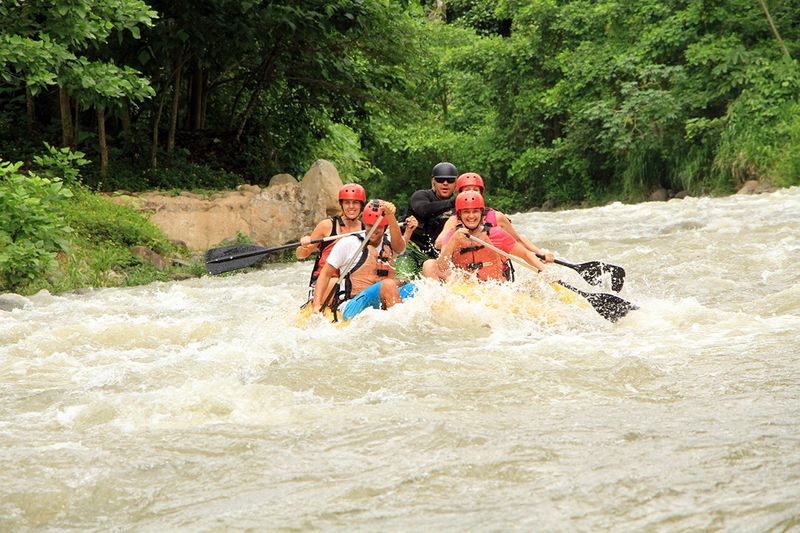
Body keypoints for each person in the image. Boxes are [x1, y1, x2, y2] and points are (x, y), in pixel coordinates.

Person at [312, 200, 416, 321]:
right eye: (369, 225)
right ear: (365, 224)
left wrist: (390, 216)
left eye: (378, 226)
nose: (373, 230)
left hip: (382, 301)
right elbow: (325, 274)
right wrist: (316, 305)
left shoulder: (390, 245)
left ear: (385, 227)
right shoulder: (348, 243)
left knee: (415, 288)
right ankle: (400, 324)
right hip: (352, 304)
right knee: (388, 284)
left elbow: (400, 247)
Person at [425, 191, 551, 282]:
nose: (471, 216)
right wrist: (453, 241)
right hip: (467, 289)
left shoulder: (496, 233)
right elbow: (442, 266)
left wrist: (545, 272)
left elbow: (525, 254)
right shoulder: (453, 234)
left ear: (481, 212)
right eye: (466, 212)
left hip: (493, 288)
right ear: (459, 215)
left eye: (475, 211)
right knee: (429, 265)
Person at [434, 172, 555, 263]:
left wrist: (539, 253)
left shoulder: (497, 216)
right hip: (467, 272)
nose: (471, 194)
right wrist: (456, 237)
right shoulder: (454, 220)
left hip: (495, 270)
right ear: (459, 195)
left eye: (475, 190)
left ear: (481, 194)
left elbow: (517, 240)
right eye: (467, 190)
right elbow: (439, 244)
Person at [296, 183, 366, 296]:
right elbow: (301, 255)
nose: (351, 207)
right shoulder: (327, 226)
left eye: (355, 202)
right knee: (335, 283)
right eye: (347, 202)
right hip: (327, 282)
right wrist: (304, 246)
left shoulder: (366, 230)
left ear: (361, 205)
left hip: (352, 282)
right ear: (341, 204)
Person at [404, 161, 459, 258]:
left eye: (450, 180)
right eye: (440, 180)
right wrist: (452, 203)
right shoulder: (420, 196)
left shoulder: (462, 205)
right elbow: (424, 210)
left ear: (456, 183)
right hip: (413, 250)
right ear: (433, 181)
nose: (445, 183)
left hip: (442, 253)